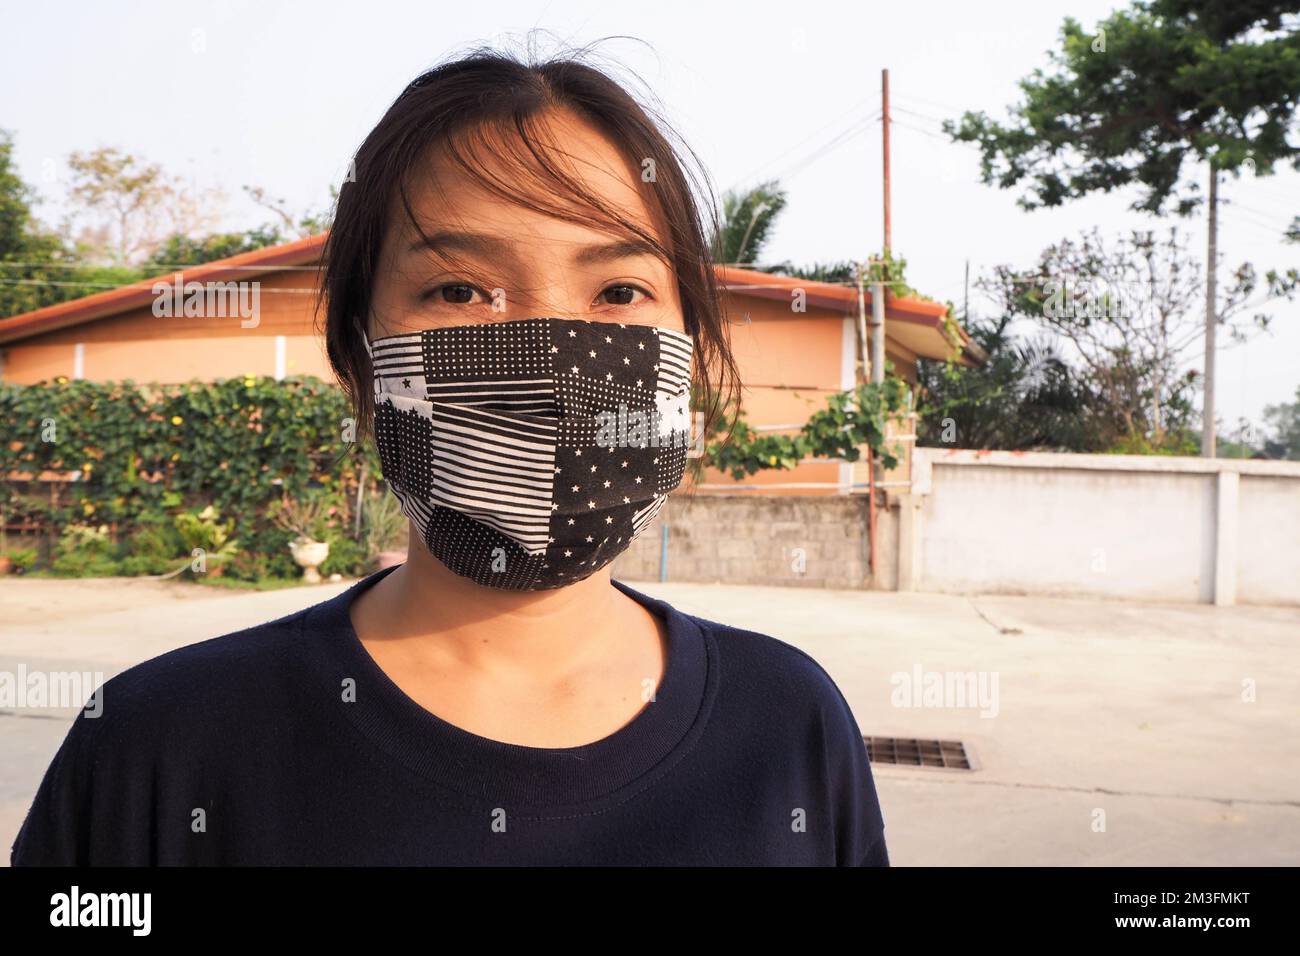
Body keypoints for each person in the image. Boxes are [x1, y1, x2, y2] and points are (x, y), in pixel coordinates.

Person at [10, 45, 889, 866]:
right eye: (459, 288)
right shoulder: (154, 747)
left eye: (619, 290)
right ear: (360, 360)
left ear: (688, 357)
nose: (549, 354)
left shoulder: (791, 724)